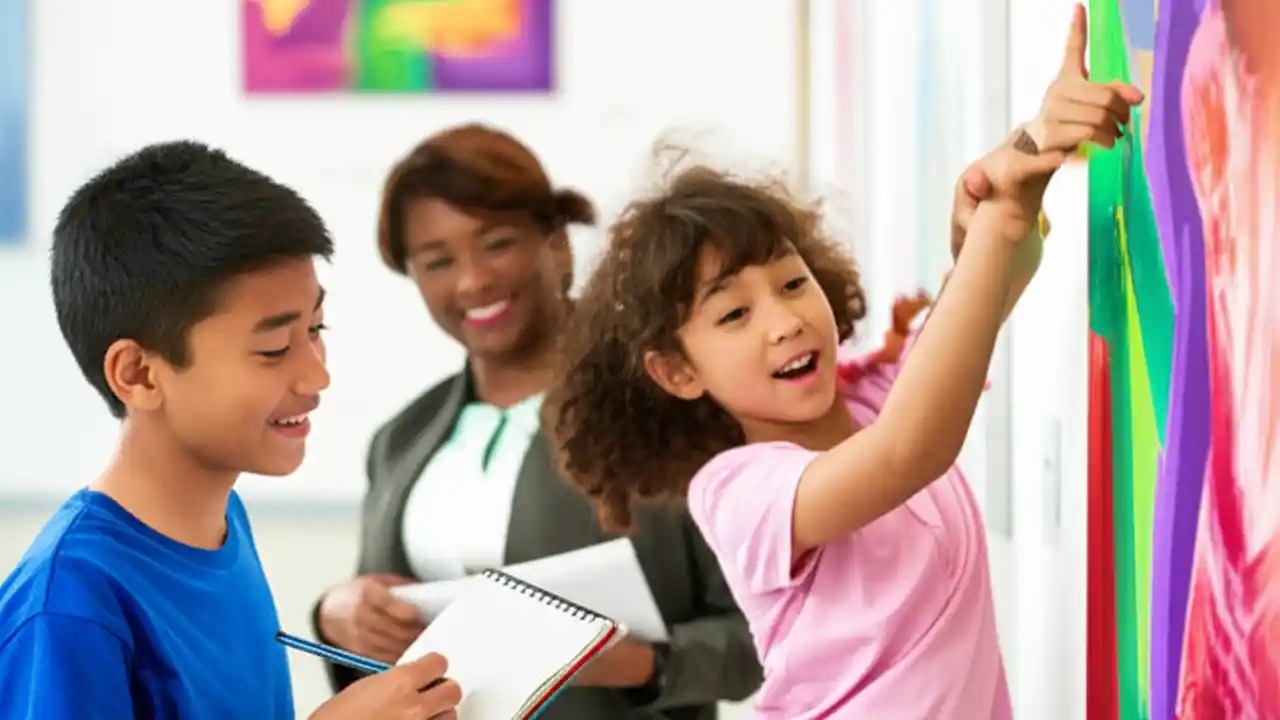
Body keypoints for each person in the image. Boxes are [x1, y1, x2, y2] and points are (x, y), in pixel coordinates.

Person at [543, 10, 1143, 718]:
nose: (785, 320)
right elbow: (907, 454)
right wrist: (997, 220)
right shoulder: (738, 492)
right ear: (678, 372)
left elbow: (986, 294)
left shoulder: (869, 399)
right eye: (734, 314)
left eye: (792, 283)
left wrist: (1027, 154)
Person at [310, 124, 762, 719]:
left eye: (496, 243)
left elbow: (761, 633)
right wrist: (336, 613)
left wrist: (642, 663)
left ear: (557, 244)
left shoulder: (668, 407)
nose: (472, 280)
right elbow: (379, 634)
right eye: (437, 261)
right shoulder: (402, 440)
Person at [0, 141, 461, 719]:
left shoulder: (223, 523)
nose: (317, 375)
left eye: (316, 328)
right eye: (273, 349)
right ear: (139, 373)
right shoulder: (70, 605)